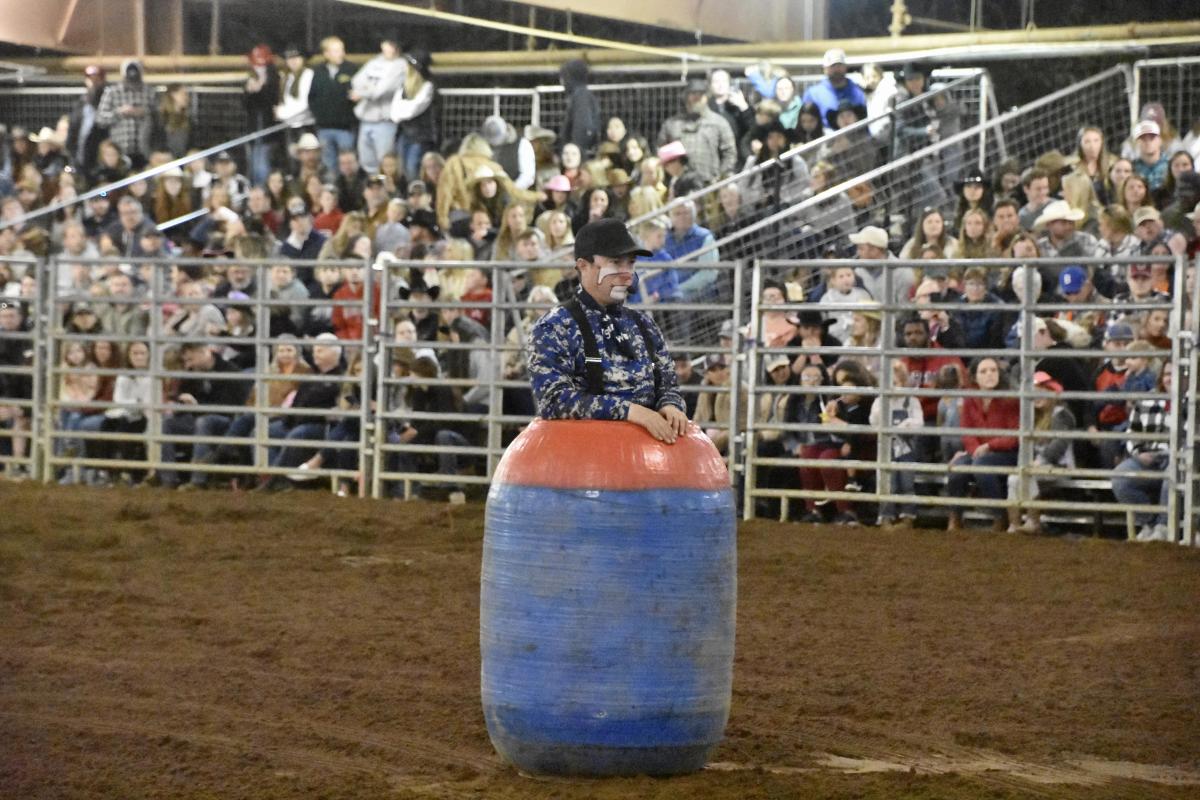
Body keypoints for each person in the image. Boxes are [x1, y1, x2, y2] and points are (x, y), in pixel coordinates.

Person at [528, 218, 688, 443]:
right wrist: (629, 411)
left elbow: (668, 383)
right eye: (615, 263)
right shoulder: (555, 327)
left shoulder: (645, 325)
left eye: (630, 263)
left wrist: (671, 404)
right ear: (583, 266)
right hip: (585, 460)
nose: (626, 273)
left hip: (648, 460)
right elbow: (553, 400)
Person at [945, 357, 1019, 532]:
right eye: (984, 371)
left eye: (993, 370)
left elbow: (1014, 435)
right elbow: (967, 429)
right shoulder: (970, 399)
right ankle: (955, 517)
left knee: (981, 465)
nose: (990, 375)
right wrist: (975, 449)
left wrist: (989, 447)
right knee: (958, 469)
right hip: (978, 451)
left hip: (1006, 452)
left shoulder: (1011, 399)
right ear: (975, 377)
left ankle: (1000, 516)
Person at [657, 80, 738, 184]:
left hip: (710, 183)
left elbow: (730, 153)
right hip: (679, 183)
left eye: (701, 94)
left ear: (706, 97)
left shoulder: (719, 123)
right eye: (693, 94)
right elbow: (661, 150)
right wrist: (670, 172)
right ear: (686, 97)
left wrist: (720, 177)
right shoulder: (672, 124)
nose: (697, 97)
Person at [350, 34, 406, 175]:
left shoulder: (401, 65)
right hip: (366, 118)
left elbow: (382, 90)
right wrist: (367, 89)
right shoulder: (375, 62)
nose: (386, 48)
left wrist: (363, 93)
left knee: (385, 161)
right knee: (366, 160)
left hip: (385, 121)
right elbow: (357, 80)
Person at [309, 36, 358, 175]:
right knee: (328, 164)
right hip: (324, 127)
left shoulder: (351, 69)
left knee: (348, 163)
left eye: (341, 50)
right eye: (336, 50)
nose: (340, 53)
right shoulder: (318, 72)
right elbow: (312, 96)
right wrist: (318, 114)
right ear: (326, 53)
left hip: (346, 127)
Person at [95, 59, 156, 169]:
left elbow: (158, 117)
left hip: (144, 150)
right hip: (119, 150)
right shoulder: (112, 92)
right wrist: (119, 112)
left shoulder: (149, 92)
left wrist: (143, 113)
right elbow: (100, 119)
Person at [801, 48, 867, 128]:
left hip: (856, 137)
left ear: (845, 67)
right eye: (832, 66)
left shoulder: (859, 92)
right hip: (824, 138)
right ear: (825, 69)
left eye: (839, 65)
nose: (836, 69)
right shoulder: (812, 94)